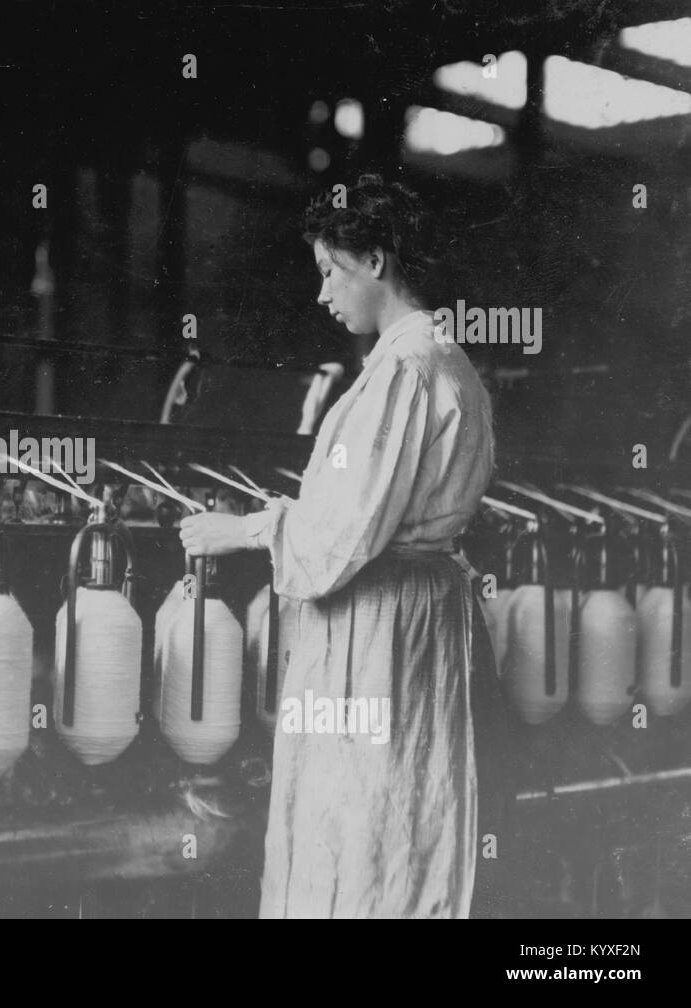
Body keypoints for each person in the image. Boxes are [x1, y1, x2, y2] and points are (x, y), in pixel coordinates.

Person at [179, 174, 505, 918]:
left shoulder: (403, 370)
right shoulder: (448, 362)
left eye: (332, 271)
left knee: (363, 826)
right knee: (401, 821)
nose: (324, 294)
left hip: (378, 622)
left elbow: (339, 539)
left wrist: (245, 528)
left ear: (378, 261)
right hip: (413, 613)